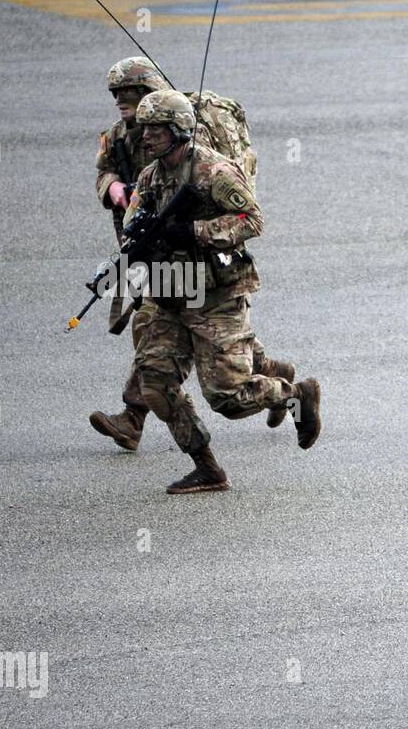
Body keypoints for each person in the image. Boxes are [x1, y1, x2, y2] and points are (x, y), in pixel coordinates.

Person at [90, 57, 293, 452]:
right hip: (157, 257)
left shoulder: (194, 135)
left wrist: (192, 230)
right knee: (155, 338)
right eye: (118, 98)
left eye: (129, 96)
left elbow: (241, 207)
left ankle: (280, 385)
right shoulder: (118, 137)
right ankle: (136, 417)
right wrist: (114, 189)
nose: (123, 105)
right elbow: (106, 171)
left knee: (222, 372)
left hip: (205, 265)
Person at [124, 89, 321, 493]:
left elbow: (252, 219)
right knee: (156, 384)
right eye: (145, 130)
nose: (147, 137)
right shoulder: (151, 176)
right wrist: (139, 241)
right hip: (169, 293)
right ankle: (207, 468)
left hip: (215, 295)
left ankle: (294, 394)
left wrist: (194, 230)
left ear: (178, 129)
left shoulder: (214, 171)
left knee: (228, 398)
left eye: (156, 130)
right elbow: (134, 219)